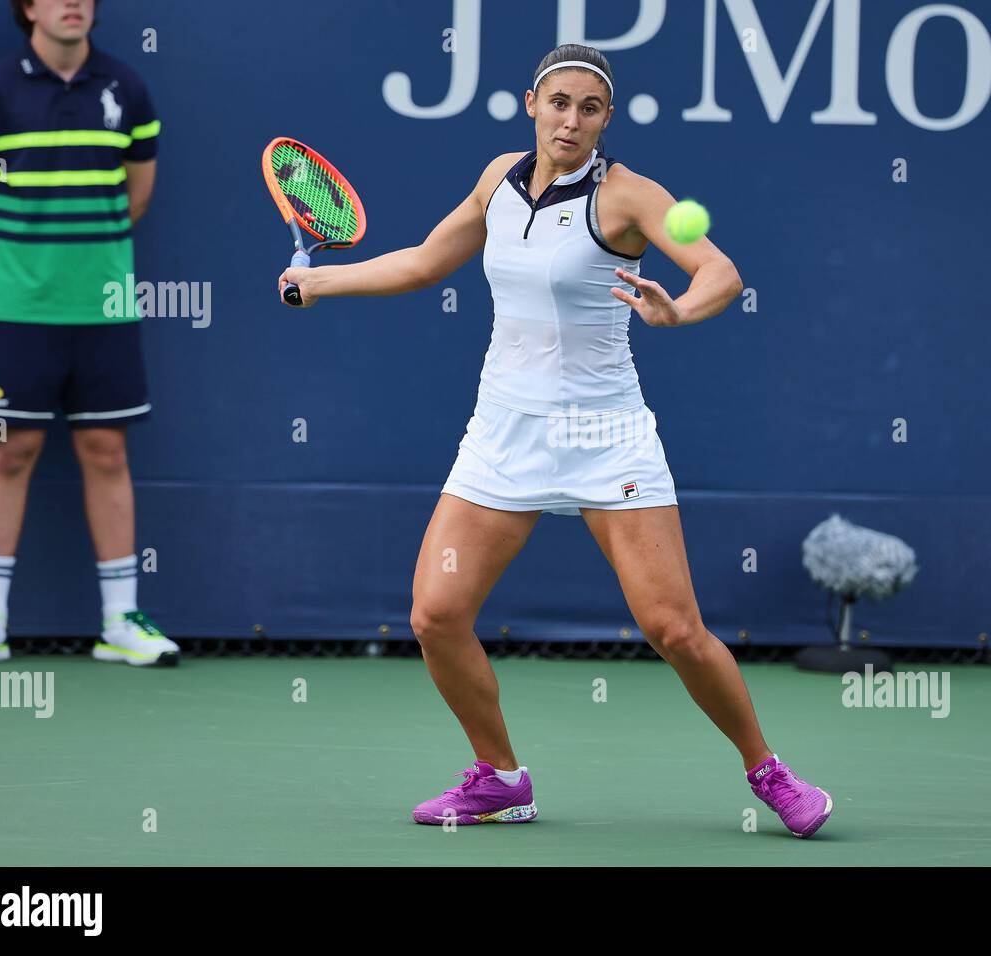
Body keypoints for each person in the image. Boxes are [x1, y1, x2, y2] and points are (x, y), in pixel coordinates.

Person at [277, 44, 833, 837]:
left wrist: (678, 309)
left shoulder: (631, 196)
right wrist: (321, 281)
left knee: (673, 628)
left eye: (590, 108)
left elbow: (721, 273)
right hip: (502, 432)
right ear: (531, 102)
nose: (571, 120)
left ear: (608, 118)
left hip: (607, 436)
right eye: (559, 102)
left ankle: (768, 771)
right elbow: (428, 262)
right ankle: (500, 778)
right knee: (436, 614)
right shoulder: (498, 179)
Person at [0, 0, 177, 667]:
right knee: (9, 449)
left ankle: (120, 622)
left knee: (107, 449)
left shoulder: (128, 88)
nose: (73, 3)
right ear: (28, 9)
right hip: (18, 308)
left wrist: (84, 267)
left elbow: (135, 196)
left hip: (104, 306)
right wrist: (19, 275)